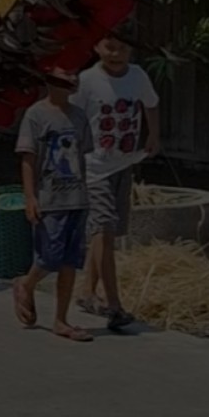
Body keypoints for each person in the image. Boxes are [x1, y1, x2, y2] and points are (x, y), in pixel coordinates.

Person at [70, 31, 159, 330]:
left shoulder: (138, 76)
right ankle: (114, 303)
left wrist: (153, 134)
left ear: (130, 50)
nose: (115, 54)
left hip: (125, 162)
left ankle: (86, 292)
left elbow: (151, 104)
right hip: (94, 168)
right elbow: (72, 119)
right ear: (96, 47)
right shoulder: (86, 81)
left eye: (121, 48)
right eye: (109, 47)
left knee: (108, 233)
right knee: (104, 230)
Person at [12, 66, 95, 341]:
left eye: (71, 81)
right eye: (61, 81)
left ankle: (62, 319)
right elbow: (28, 158)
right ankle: (26, 283)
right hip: (50, 198)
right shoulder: (36, 115)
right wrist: (30, 196)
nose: (67, 86)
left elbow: (84, 154)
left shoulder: (79, 116)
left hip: (77, 197)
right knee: (49, 256)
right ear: (49, 83)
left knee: (71, 260)